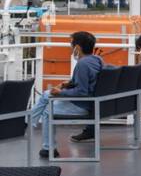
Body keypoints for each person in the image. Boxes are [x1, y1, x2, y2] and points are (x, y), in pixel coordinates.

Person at [29, 30, 104, 159]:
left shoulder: (82, 64)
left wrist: (62, 92)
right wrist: (68, 84)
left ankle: (48, 148)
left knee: (48, 110)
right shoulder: (97, 59)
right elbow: (88, 81)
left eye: (71, 44)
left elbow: (81, 92)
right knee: (46, 95)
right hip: (92, 101)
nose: (70, 47)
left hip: (83, 105)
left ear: (77, 48)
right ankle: (30, 122)